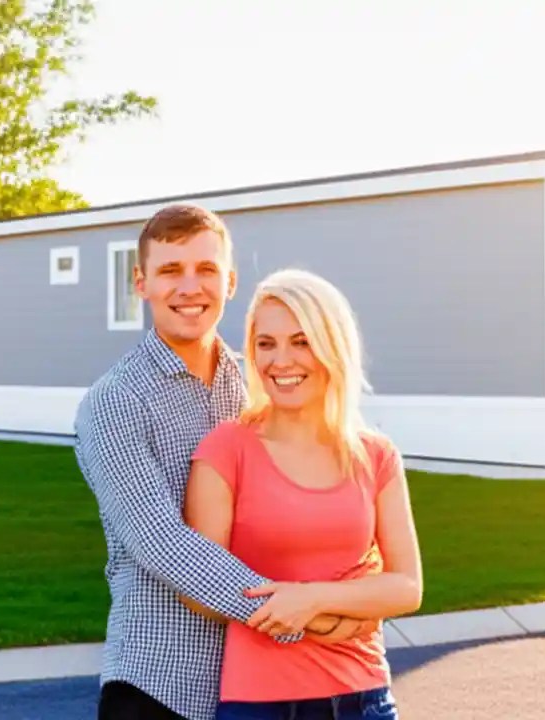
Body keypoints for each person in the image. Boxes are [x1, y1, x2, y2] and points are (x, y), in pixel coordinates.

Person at [74, 205, 371, 720]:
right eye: (170, 271)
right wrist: (314, 615)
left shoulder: (258, 383)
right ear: (141, 283)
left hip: (261, 687)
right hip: (158, 685)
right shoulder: (113, 403)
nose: (190, 287)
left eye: (206, 269)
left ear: (230, 282)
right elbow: (165, 546)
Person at [181, 268, 423, 719]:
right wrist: (329, 613)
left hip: (365, 698)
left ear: (332, 346)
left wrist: (311, 599)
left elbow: (407, 586)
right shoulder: (225, 449)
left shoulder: (376, 454)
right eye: (266, 344)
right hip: (260, 704)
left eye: (301, 341)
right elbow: (199, 587)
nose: (281, 361)